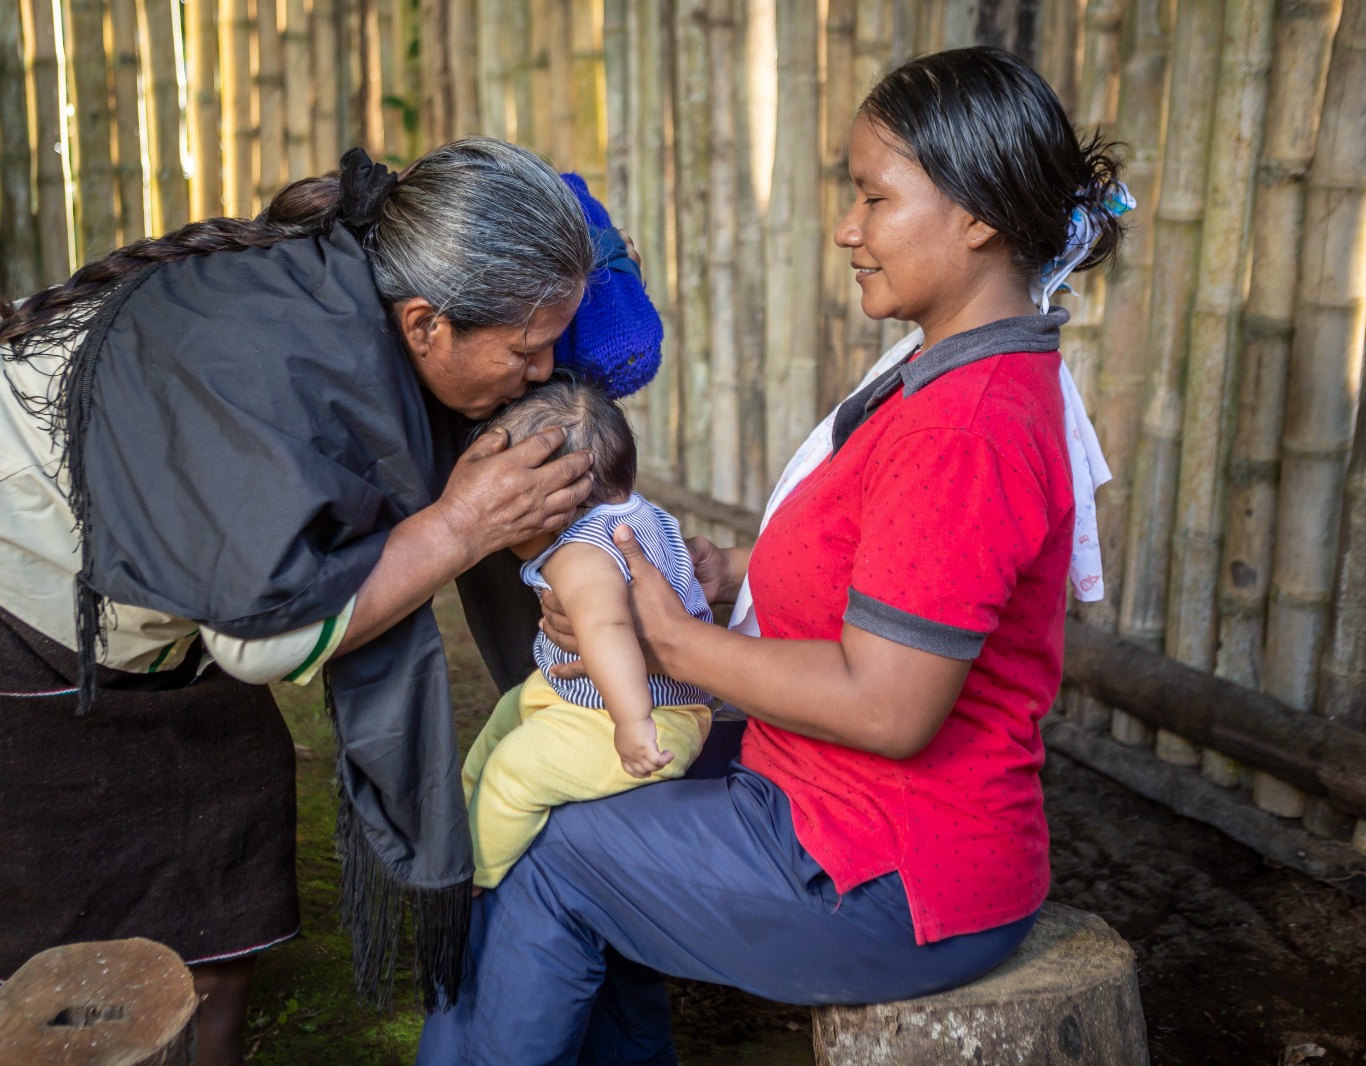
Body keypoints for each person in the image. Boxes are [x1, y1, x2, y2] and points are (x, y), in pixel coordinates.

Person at [0, 138, 600, 1066]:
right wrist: (458, 527)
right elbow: (268, 641)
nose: (542, 374)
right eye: (528, 351)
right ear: (424, 326)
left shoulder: (362, 286)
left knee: (218, 884)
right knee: (44, 939)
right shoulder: (281, 377)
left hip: (117, 533)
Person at [416, 46, 1128, 1065]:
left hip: (889, 875)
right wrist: (727, 583)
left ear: (975, 217)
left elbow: (888, 704)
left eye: (874, 199)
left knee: (554, 851)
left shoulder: (963, 426)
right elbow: (886, 583)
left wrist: (670, 635)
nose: (848, 228)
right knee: (585, 798)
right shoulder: (947, 378)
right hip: (856, 815)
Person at [462, 377, 713, 889]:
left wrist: (633, 723)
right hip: (599, 696)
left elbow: (609, 627)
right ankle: (465, 823)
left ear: (553, 501)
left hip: (646, 718)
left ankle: (476, 885)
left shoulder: (580, 556)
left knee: (513, 769)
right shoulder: (641, 514)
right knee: (509, 712)